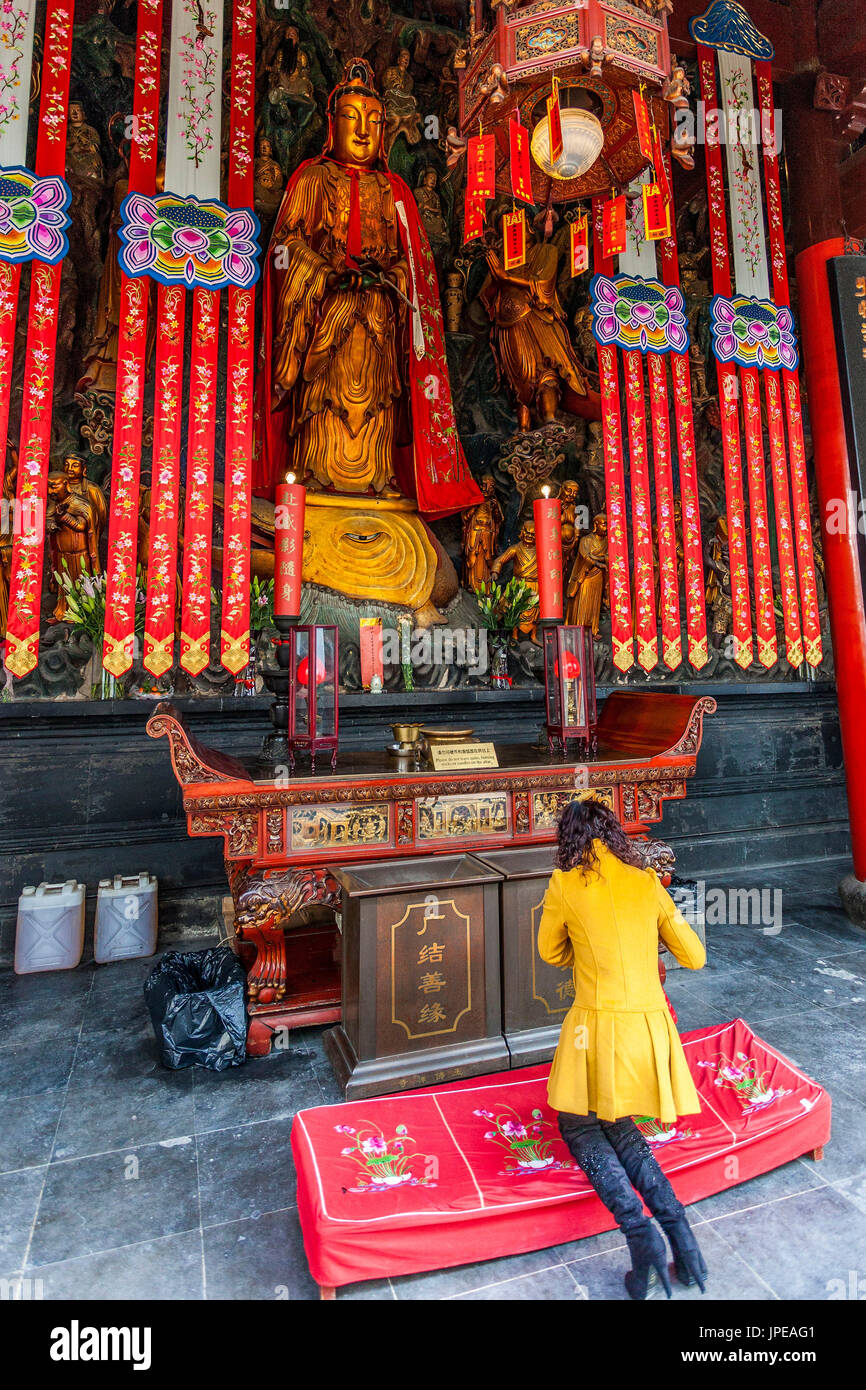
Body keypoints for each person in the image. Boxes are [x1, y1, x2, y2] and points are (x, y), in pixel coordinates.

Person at [538, 797, 708, 1299]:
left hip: (595, 1028)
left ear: (568, 838)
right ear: (614, 834)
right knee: (622, 1128)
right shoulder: (647, 883)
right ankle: (683, 1240)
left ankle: (641, 1240)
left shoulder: (565, 885)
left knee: (578, 1122)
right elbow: (694, 957)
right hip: (648, 1029)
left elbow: (550, 951)